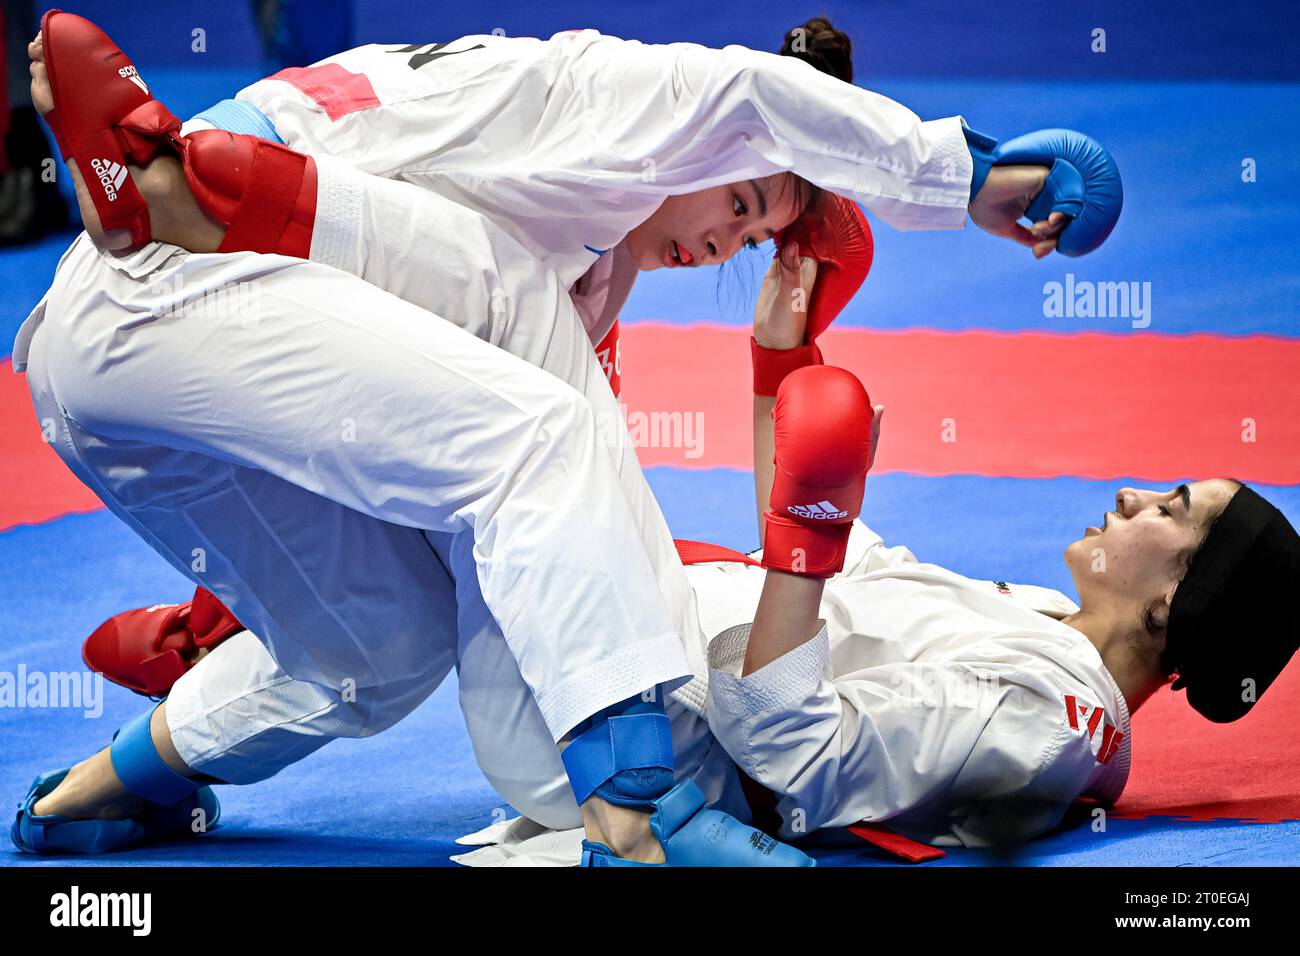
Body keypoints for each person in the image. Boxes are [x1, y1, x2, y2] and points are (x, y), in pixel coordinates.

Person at [10, 10, 1121, 863]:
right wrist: (967, 174)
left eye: (752, 232)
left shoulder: (573, 275)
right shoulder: (607, 97)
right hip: (169, 274)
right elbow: (748, 91)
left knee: (380, 652)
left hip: (149, 376)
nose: (723, 239)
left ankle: (94, 795)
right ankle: (636, 811)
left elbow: (417, 461)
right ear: (715, 146)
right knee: (544, 423)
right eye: (737, 202)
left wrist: (232, 600)